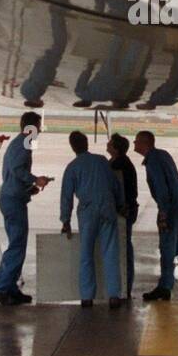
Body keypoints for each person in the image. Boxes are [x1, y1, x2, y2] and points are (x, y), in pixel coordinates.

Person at [0, 112, 53, 306]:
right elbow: (18, 170)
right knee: (17, 246)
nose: (40, 131)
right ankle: (1, 288)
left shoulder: (21, 142)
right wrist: (35, 179)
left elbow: (15, 173)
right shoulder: (24, 143)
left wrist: (29, 187)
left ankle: (10, 288)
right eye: (38, 127)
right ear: (31, 128)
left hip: (14, 197)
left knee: (17, 245)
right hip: (13, 201)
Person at [134, 130, 178, 301]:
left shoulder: (153, 161)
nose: (134, 144)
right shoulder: (162, 155)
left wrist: (163, 212)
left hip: (171, 205)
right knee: (175, 242)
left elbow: (161, 187)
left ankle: (165, 286)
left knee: (166, 245)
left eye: (136, 141)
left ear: (145, 143)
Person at [60, 131, 125, 308]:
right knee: (110, 252)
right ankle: (114, 295)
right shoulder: (102, 161)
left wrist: (65, 220)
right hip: (107, 209)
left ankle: (87, 297)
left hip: (87, 212)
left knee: (86, 255)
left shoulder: (72, 167)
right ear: (87, 143)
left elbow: (66, 196)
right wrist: (120, 204)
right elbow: (115, 185)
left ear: (73, 147)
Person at [107, 133, 138, 296]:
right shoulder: (120, 162)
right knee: (123, 246)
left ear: (116, 148)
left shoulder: (118, 164)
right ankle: (124, 285)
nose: (107, 144)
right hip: (126, 209)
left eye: (110, 143)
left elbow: (117, 188)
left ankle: (125, 286)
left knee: (124, 248)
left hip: (123, 210)